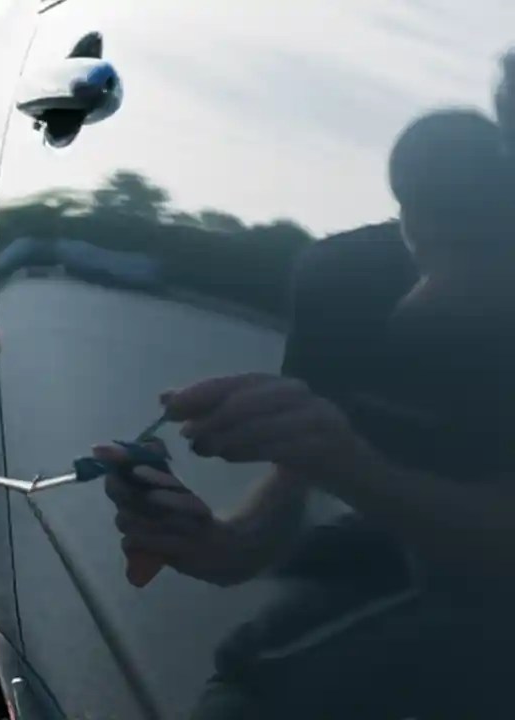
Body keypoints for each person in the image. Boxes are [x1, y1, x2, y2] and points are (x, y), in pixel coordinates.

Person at [95, 102, 515, 718]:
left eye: (478, 245)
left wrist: (352, 465)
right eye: (429, 237)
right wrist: (217, 540)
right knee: (247, 688)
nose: (434, 288)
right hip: (427, 585)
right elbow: (277, 514)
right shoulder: (350, 283)